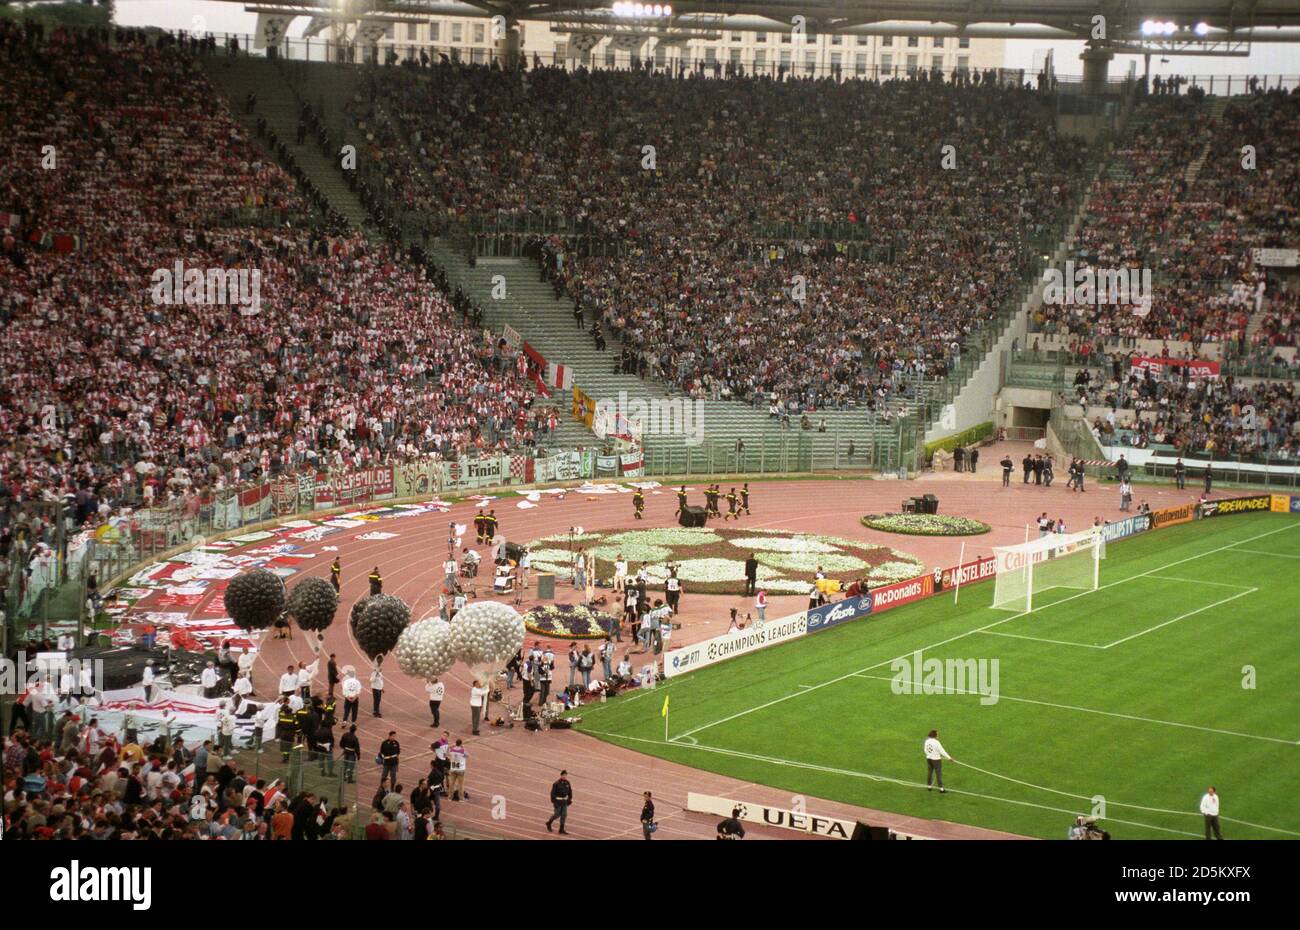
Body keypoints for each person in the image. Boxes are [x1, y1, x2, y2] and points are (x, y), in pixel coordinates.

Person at [924, 728, 953, 793]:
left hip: (928, 758)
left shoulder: (927, 741)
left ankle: (929, 786)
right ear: (934, 735)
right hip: (936, 760)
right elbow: (942, 751)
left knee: (930, 772)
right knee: (938, 774)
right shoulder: (936, 742)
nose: (938, 735)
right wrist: (949, 758)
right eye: (937, 734)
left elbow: (925, 750)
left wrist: (930, 755)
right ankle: (941, 789)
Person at [546, 770, 573, 834]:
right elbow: (552, 794)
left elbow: (570, 792)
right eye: (563, 775)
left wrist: (569, 799)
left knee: (564, 815)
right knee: (557, 814)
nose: (564, 776)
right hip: (558, 801)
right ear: (561, 775)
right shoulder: (556, 783)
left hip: (564, 802)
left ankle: (561, 829)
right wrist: (554, 802)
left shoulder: (567, 783)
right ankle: (549, 823)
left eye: (565, 775)